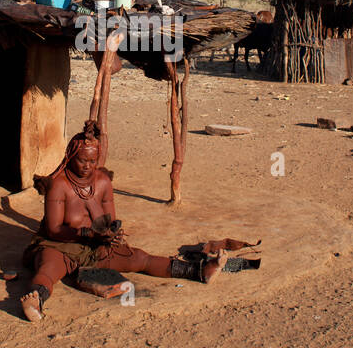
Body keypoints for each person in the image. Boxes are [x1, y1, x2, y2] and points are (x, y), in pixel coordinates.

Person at [20, 121, 218, 322]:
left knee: (140, 258)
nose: (87, 166)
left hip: (96, 247)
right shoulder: (59, 185)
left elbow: (110, 221)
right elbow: (54, 230)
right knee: (48, 269)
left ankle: (197, 271)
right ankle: (36, 300)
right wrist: (86, 233)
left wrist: (111, 234)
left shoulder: (103, 182)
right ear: (71, 157)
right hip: (60, 246)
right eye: (82, 160)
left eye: (92, 161)